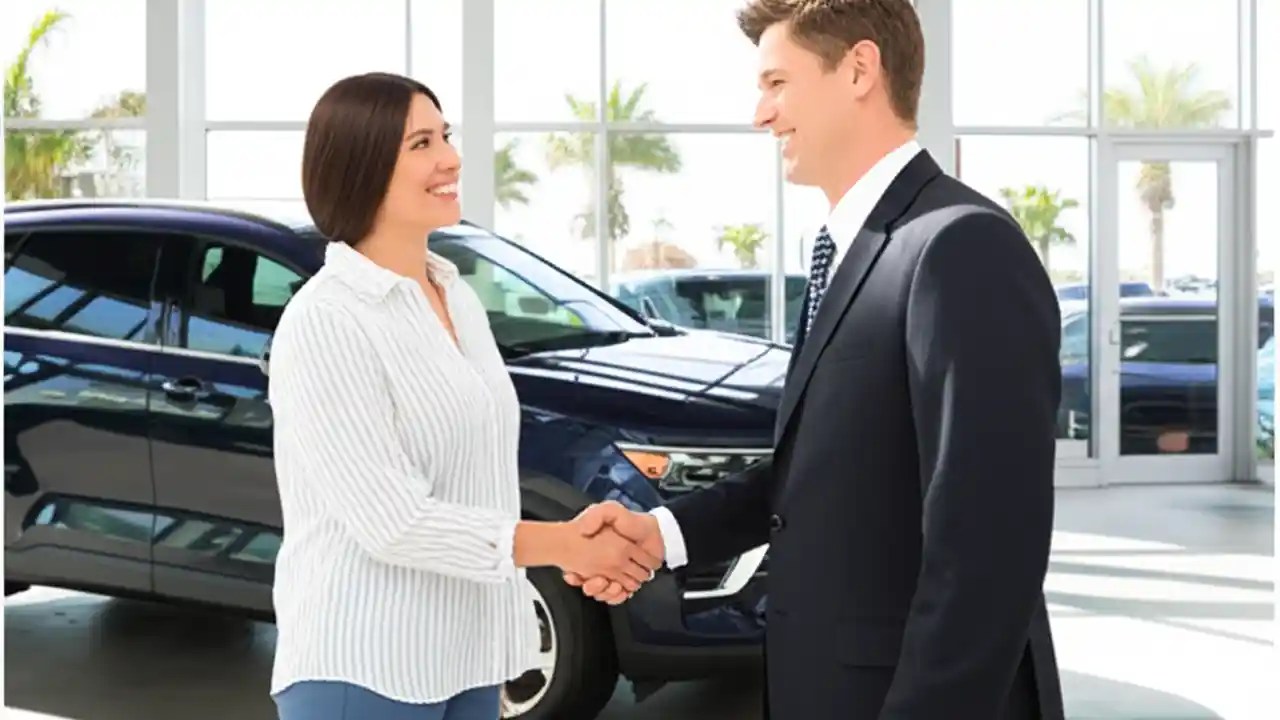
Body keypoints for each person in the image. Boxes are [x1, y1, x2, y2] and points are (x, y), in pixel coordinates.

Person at [565, 1, 1067, 718]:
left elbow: (987, 546)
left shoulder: (960, 248)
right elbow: (823, 468)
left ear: (860, 69)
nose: (760, 115)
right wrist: (662, 533)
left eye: (777, 83)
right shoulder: (851, 249)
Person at [266, 72, 662, 720]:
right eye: (420, 143)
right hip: (364, 666)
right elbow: (392, 522)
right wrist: (564, 544)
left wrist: (576, 543)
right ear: (363, 166)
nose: (449, 157)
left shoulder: (457, 296)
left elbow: (479, 481)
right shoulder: (326, 320)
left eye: (444, 135)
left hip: (470, 659)